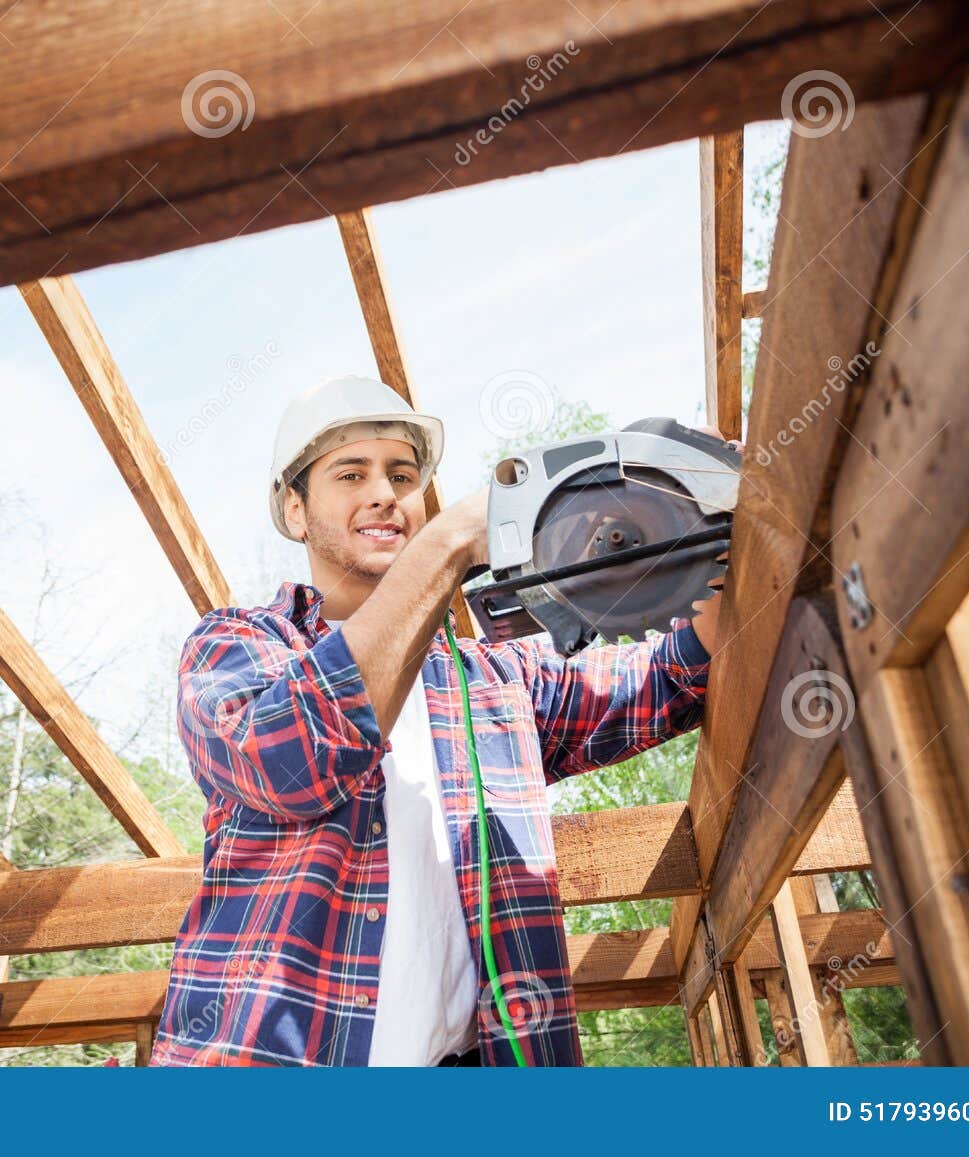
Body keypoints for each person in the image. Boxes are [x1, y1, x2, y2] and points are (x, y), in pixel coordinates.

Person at [151, 375, 726, 1066]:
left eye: (402, 475)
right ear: (295, 510)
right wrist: (450, 543)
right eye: (351, 474)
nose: (384, 493)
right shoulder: (236, 647)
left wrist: (714, 522)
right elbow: (291, 761)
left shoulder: (497, 680)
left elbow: (667, 680)